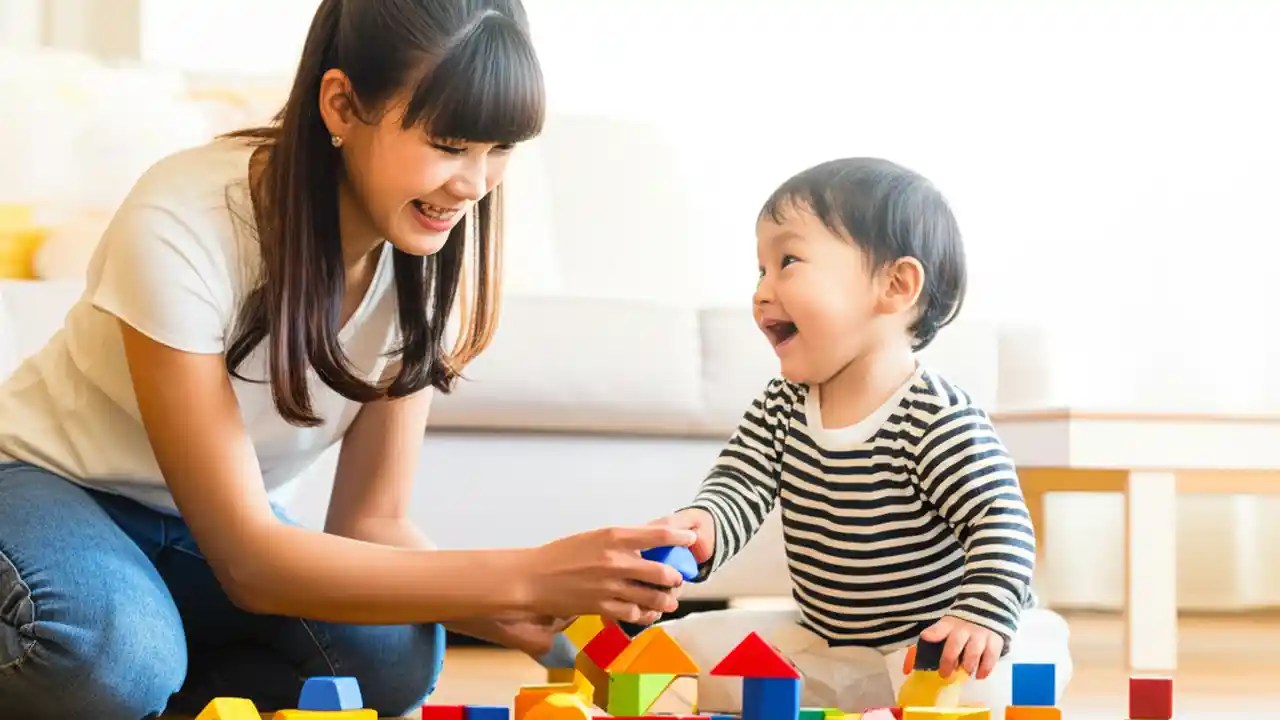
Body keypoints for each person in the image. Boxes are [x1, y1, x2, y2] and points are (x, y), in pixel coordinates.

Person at [0, 1, 694, 717]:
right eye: (451, 143)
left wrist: (517, 610)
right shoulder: (185, 219)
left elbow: (374, 523)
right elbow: (248, 560)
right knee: (102, 654)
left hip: (203, 538)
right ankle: (123, 661)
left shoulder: (424, 248)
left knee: (393, 655)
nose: (475, 183)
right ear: (341, 104)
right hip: (47, 486)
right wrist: (522, 576)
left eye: (501, 149)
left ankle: (154, 681)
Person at [647, 158, 1073, 716]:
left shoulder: (937, 418)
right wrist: (704, 526)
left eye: (788, 262)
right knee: (683, 647)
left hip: (935, 650)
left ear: (895, 286)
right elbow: (739, 485)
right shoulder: (782, 405)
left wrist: (980, 616)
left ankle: (924, 689)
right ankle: (864, 701)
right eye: (760, 270)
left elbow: (1001, 523)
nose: (761, 293)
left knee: (983, 681)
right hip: (832, 643)